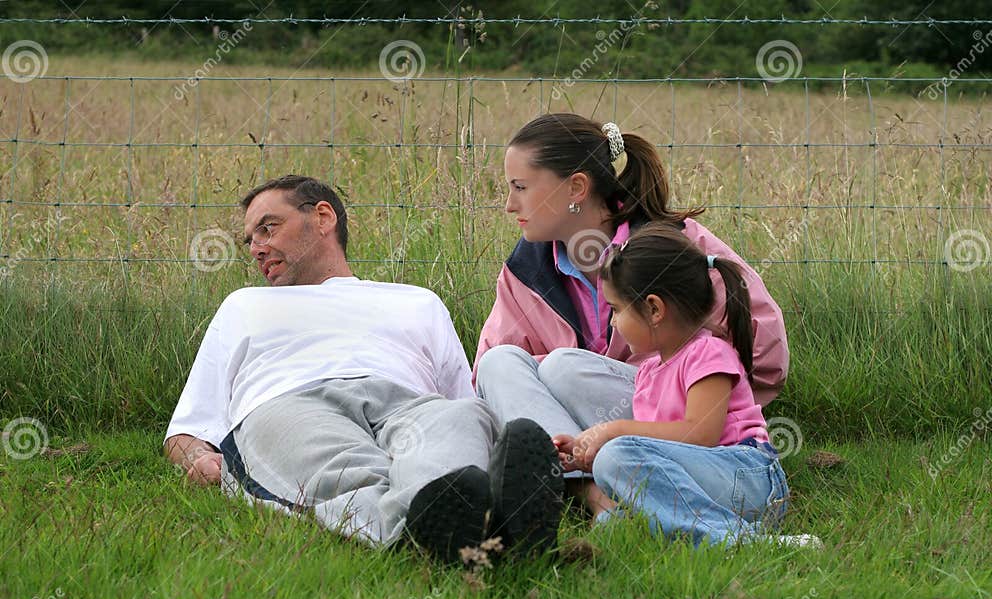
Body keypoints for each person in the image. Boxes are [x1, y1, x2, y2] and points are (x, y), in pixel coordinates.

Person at [164, 175, 563, 563]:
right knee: (347, 471)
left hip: (407, 403)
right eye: (250, 239)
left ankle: (457, 514)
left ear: (323, 217)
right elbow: (189, 427)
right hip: (291, 401)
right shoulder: (243, 304)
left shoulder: (417, 301)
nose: (256, 248)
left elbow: (462, 399)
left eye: (268, 228)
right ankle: (446, 529)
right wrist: (198, 456)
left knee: (456, 419)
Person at [474, 114, 789, 463]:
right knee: (497, 363)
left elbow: (765, 349)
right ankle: (585, 485)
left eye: (520, 187)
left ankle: (584, 476)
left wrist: (674, 379)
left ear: (576, 188)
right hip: (580, 425)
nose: (509, 204)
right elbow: (491, 376)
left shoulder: (671, 247)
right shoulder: (524, 271)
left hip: (671, 422)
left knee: (563, 368)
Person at [552, 225, 815, 547]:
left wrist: (614, 431)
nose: (613, 323)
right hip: (706, 481)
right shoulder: (650, 371)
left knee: (616, 456)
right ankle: (671, 525)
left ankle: (744, 540)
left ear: (654, 308)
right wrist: (584, 449)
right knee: (613, 481)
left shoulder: (709, 353)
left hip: (749, 479)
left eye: (618, 309)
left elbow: (700, 435)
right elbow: (655, 449)